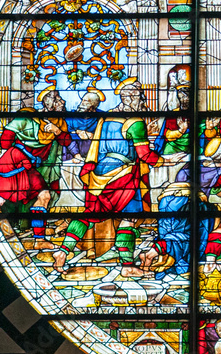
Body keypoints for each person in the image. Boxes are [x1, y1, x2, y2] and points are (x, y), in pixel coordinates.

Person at [52, 79, 163, 273]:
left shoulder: (108, 118)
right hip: (123, 175)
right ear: (130, 98)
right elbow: (144, 155)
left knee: (89, 215)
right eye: (139, 96)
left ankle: (62, 252)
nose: (142, 100)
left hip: (99, 173)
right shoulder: (135, 123)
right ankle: (128, 266)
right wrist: (163, 161)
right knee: (129, 219)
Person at [0, 85, 72, 249]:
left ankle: (39, 239)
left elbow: (67, 143)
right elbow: (7, 137)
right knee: (9, 195)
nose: (62, 102)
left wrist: (58, 132)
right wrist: (8, 161)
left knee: (43, 196)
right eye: (58, 99)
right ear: (49, 103)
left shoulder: (59, 123)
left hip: (35, 168)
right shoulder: (27, 118)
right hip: (16, 163)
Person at [136, 181, 221, 277]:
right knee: (185, 238)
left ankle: (152, 253)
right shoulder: (216, 216)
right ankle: (150, 254)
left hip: (169, 202)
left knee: (180, 236)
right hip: (186, 199)